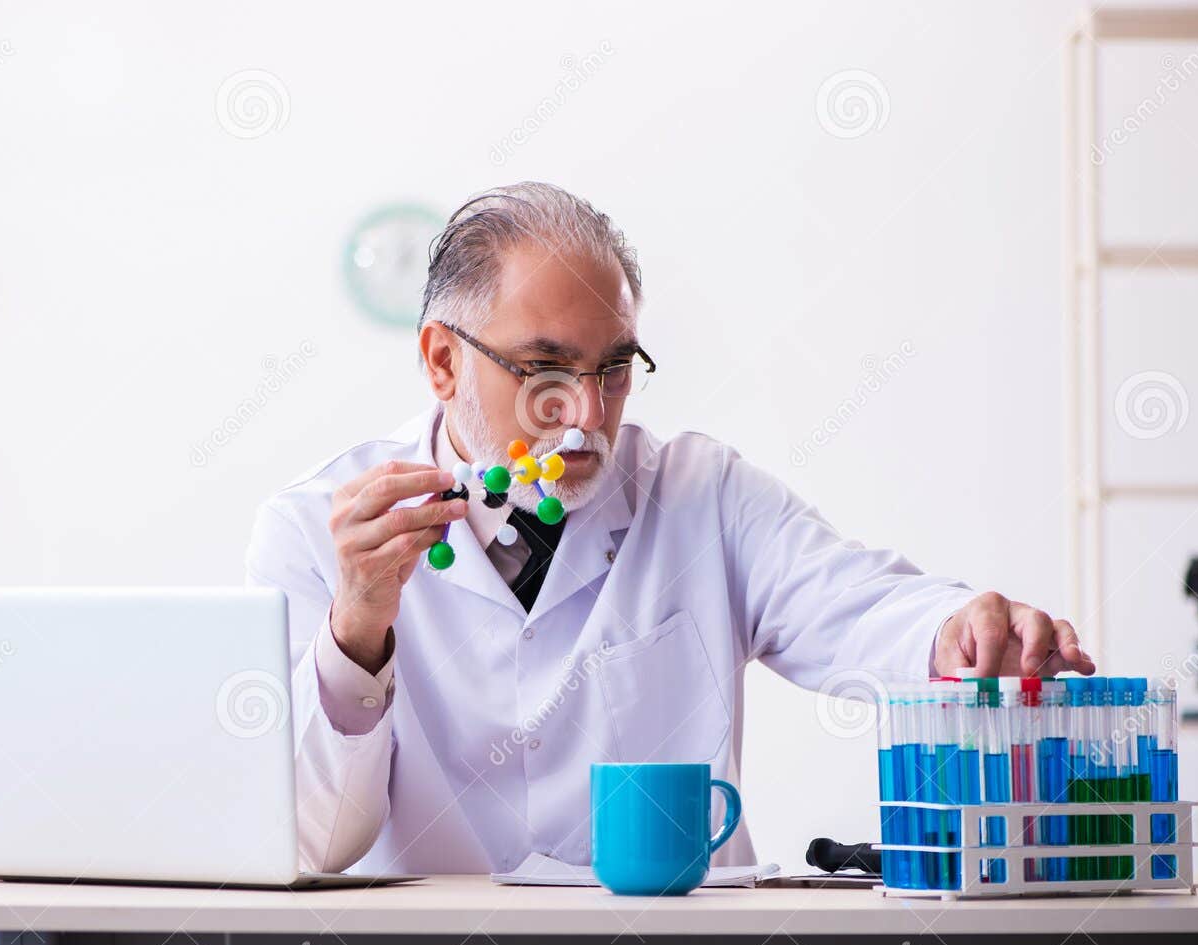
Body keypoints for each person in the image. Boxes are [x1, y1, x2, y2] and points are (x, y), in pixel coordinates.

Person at [245, 182, 1094, 875]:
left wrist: (956, 631)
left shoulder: (700, 494)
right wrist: (357, 629)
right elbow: (315, 842)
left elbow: (859, 605)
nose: (586, 417)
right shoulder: (315, 531)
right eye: (545, 369)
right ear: (442, 360)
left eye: (614, 369)